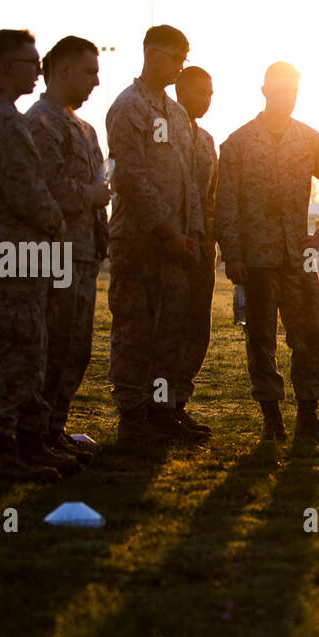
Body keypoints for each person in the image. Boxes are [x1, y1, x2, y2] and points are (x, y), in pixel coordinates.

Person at [0, 28, 73, 481]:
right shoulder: (3, 119)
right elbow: (26, 189)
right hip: (11, 250)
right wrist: (57, 223)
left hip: (6, 248)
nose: (39, 71)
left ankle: (26, 442)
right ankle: (2, 447)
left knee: (29, 344)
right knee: (15, 347)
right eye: (32, 63)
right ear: (7, 66)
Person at [217, 62, 319, 441]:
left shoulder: (311, 140)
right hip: (255, 260)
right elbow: (225, 205)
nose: (286, 97)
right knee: (260, 339)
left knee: (309, 336)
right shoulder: (238, 143)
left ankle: (308, 415)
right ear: (264, 91)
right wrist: (233, 253)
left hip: (298, 258)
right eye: (279, 90)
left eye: (292, 91)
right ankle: (271, 418)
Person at [106, 24, 204, 446]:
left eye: (184, 57)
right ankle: (132, 416)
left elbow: (189, 180)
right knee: (136, 330)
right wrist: (167, 231)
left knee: (170, 335)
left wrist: (193, 232)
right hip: (140, 242)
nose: (181, 65)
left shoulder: (177, 114)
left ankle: (161, 411)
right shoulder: (129, 108)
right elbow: (130, 177)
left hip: (177, 245)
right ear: (151, 54)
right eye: (175, 56)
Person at [24, 35, 110, 463]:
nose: (97, 81)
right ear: (63, 71)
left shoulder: (83, 126)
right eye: (90, 71)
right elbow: (45, 188)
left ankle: (53, 429)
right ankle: (34, 436)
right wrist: (91, 195)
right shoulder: (41, 121)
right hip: (55, 256)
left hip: (84, 256)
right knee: (51, 350)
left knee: (75, 350)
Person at [171, 66, 217, 437]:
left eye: (210, 94)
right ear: (179, 90)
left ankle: (177, 404)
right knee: (166, 331)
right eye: (200, 92)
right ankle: (156, 409)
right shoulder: (163, 131)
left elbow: (211, 196)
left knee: (195, 330)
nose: (206, 99)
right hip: (169, 246)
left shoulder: (206, 141)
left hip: (203, 249)